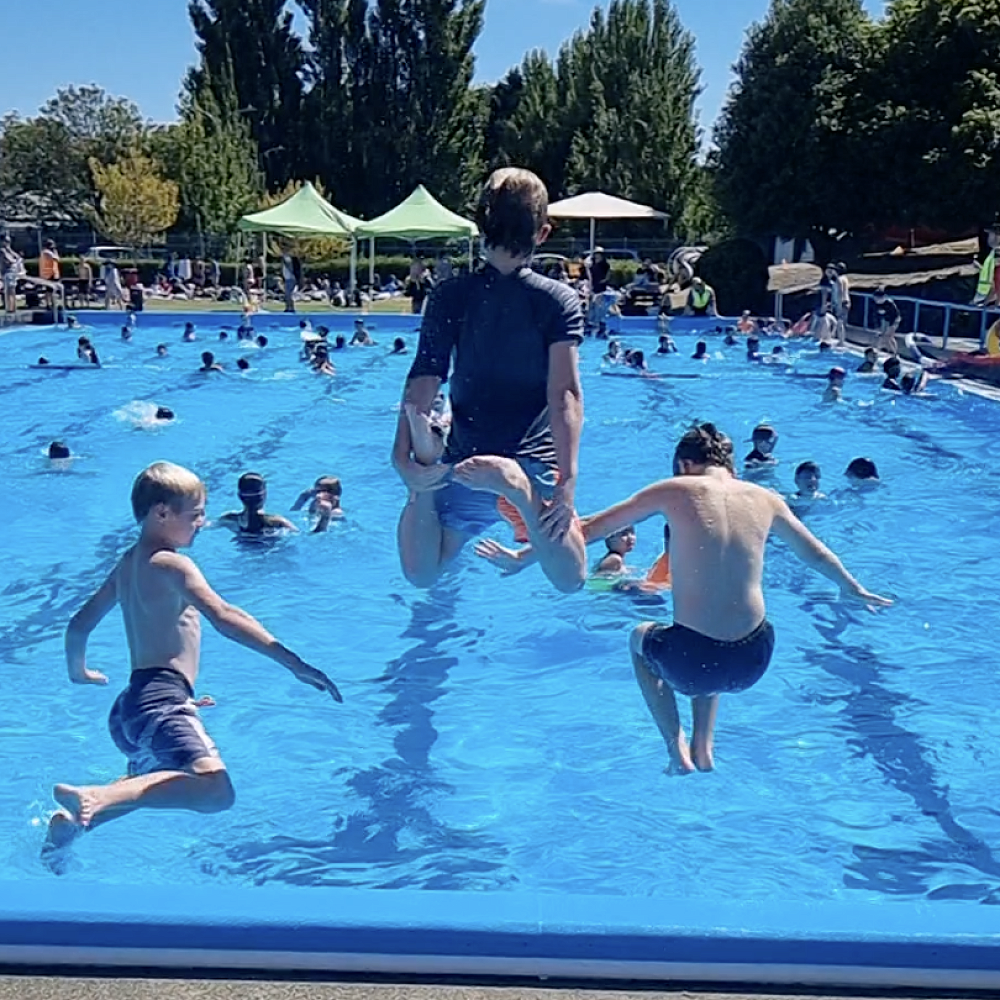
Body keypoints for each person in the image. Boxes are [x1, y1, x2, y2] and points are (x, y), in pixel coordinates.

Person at [479, 424, 890, 772]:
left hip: (694, 661)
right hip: (755, 658)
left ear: (684, 465)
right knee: (713, 633)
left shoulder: (675, 489)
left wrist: (522, 556)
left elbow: (586, 530)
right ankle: (705, 749)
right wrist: (851, 587)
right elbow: (815, 553)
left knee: (641, 637)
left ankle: (677, 750)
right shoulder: (768, 500)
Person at [44, 462, 339, 855]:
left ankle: (78, 825)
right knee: (217, 791)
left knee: (154, 782)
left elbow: (78, 626)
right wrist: (293, 663)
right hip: (162, 701)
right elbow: (225, 615)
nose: (202, 523)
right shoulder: (171, 563)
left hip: (129, 709)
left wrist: (78, 672)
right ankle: (95, 798)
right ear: (161, 513)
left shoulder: (127, 564)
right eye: (196, 514)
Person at [391, 166, 587, 594]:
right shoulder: (557, 300)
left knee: (422, 573)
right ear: (544, 232)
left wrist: (403, 456)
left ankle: (426, 473)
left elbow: (424, 378)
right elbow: (565, 394)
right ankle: (521, 492)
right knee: (570, 578)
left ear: (480, 224)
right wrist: (567, 482)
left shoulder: (450, 294)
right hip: (528, 460)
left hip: (465, 460)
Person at [217, 472, 298, 537]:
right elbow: (297, 534)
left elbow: (208, 525)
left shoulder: (229, 519)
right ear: (265, 495)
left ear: (239, 496)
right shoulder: (278, 522)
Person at [871, 286, 901, 355]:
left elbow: (895, 315)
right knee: (881, 335)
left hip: (895, 320)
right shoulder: (876, 304)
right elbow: (875, 315)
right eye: (875, 298)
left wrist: (890, 327)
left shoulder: (889, 303)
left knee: (888, 337)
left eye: (876, 298)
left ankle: (895, 354)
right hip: (885, 319)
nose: (875, 300)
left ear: (882, 297)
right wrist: (877, 327)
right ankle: (878, 350)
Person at [827, 262, 851, 345]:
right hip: (846, 302)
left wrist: (838, 306)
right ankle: (841, 340)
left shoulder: (839, 279)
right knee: (841, 323)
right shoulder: (845, 278)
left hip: (841, 303)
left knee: (839, 323)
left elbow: (840, 292)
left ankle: (841, 341)